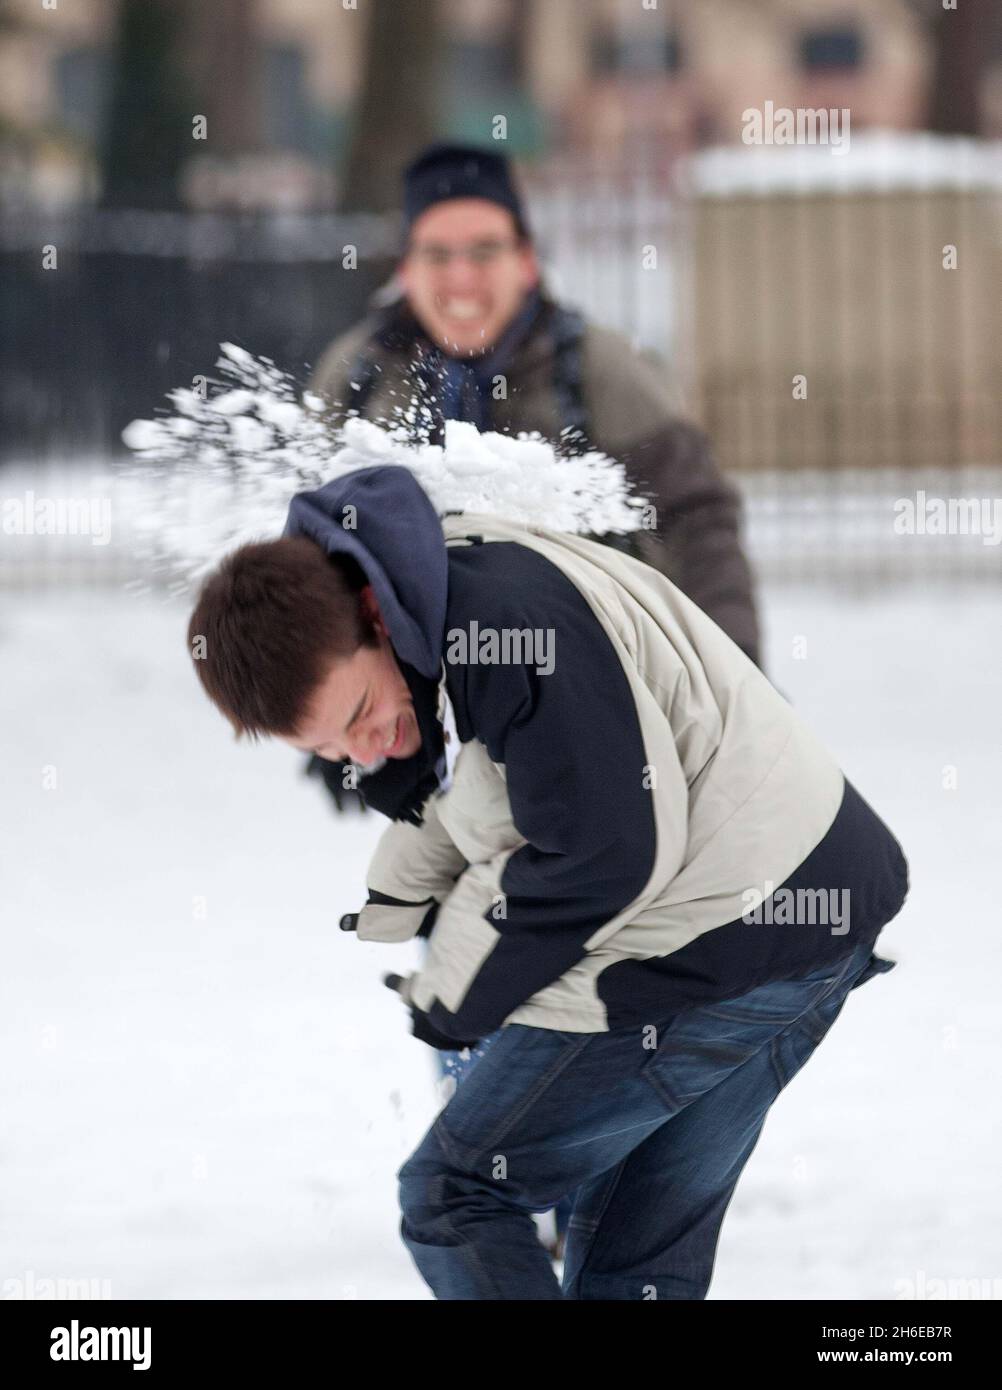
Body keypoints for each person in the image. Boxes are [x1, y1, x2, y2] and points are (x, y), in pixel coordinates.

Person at [185, 456, 909, 1300]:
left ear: (374, 616)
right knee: (628, 1276)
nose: (359, 750)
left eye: (356, 715)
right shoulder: (454, 577)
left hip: (731, 935)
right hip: (805, 920)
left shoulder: (506, 622)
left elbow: (607, 853)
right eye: (328, 751)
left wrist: (464, 992)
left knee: (454, 1195)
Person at [304, 141, 761, 820]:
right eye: (437, 254)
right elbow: (316, 558)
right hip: (434, 746)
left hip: (602, 720)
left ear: (527, 259)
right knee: (459, 917)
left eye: (484, 250)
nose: (461, 277)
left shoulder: (604, 373)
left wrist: (733, 690)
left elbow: (699, 522)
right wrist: (334, 703)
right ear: (405, 268)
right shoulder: (357, 380)